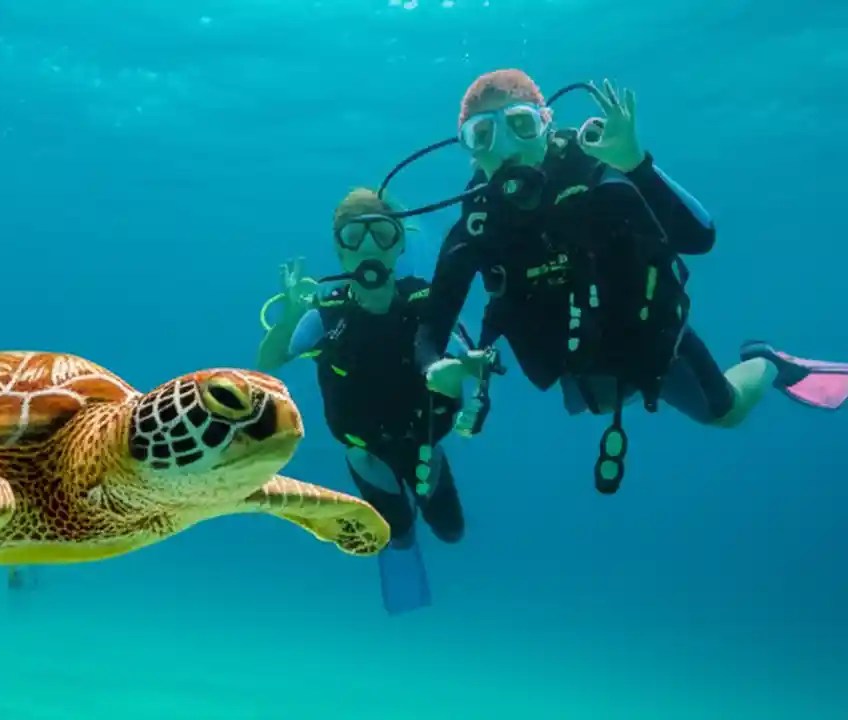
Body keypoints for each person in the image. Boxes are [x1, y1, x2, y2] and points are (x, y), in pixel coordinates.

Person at [370, 69, 848, 493]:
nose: (507, 147)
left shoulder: (599, 171)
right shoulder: (478, 221)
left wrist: (636, 162)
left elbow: (699, 238)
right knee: (614, 402)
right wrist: (436, 368)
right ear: (468, 148)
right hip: (578, 365)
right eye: (483, 134)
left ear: (546, 124)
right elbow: (433, 325)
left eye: (519, 125)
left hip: (652, 340)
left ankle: (767, 362)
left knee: (724, 412)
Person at [257, 187, 498, 613]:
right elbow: (271, 360)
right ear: (339, 248)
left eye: (381, 234)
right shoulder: (325, 314)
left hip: (425, 443)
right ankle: (406, 574)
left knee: (452, 531)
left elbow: (470, 361)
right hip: (366, 453)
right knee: (398, 532)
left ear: (399, 243)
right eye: (354, 236)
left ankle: (421, 519)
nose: (368, 248)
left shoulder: (430, 304)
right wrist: (293, 312)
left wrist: (471, 373)